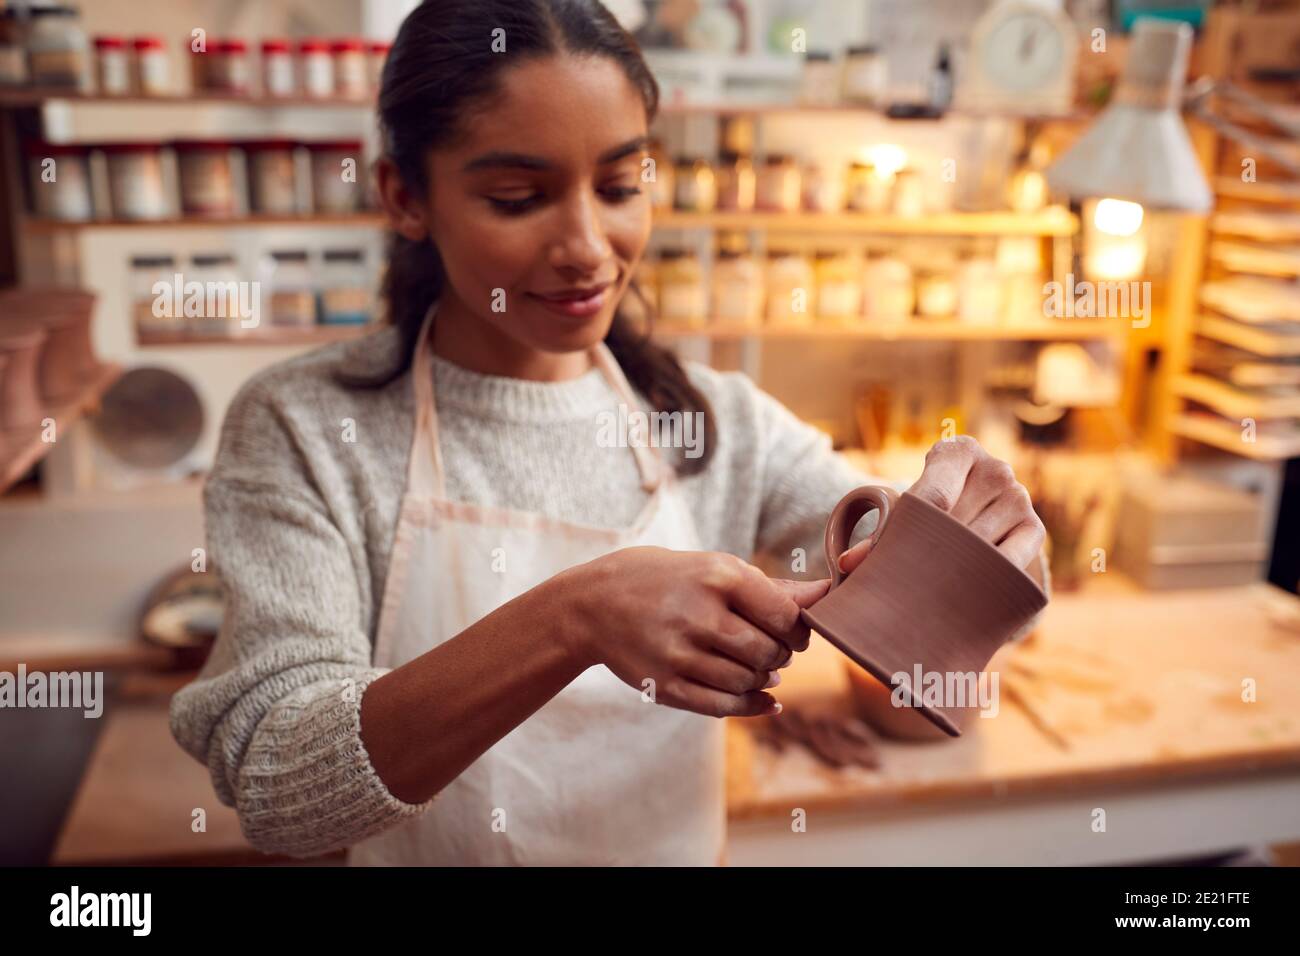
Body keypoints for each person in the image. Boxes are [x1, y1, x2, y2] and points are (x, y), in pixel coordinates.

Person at [170, 0, 1047, 866]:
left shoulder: (717, 424)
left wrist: (971, 575)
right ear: (406, 196)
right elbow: (279, 791)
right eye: (519, 197)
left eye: (623, 186)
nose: (589, 247)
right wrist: (571, 619)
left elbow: (919, 697)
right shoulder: (306, 426)